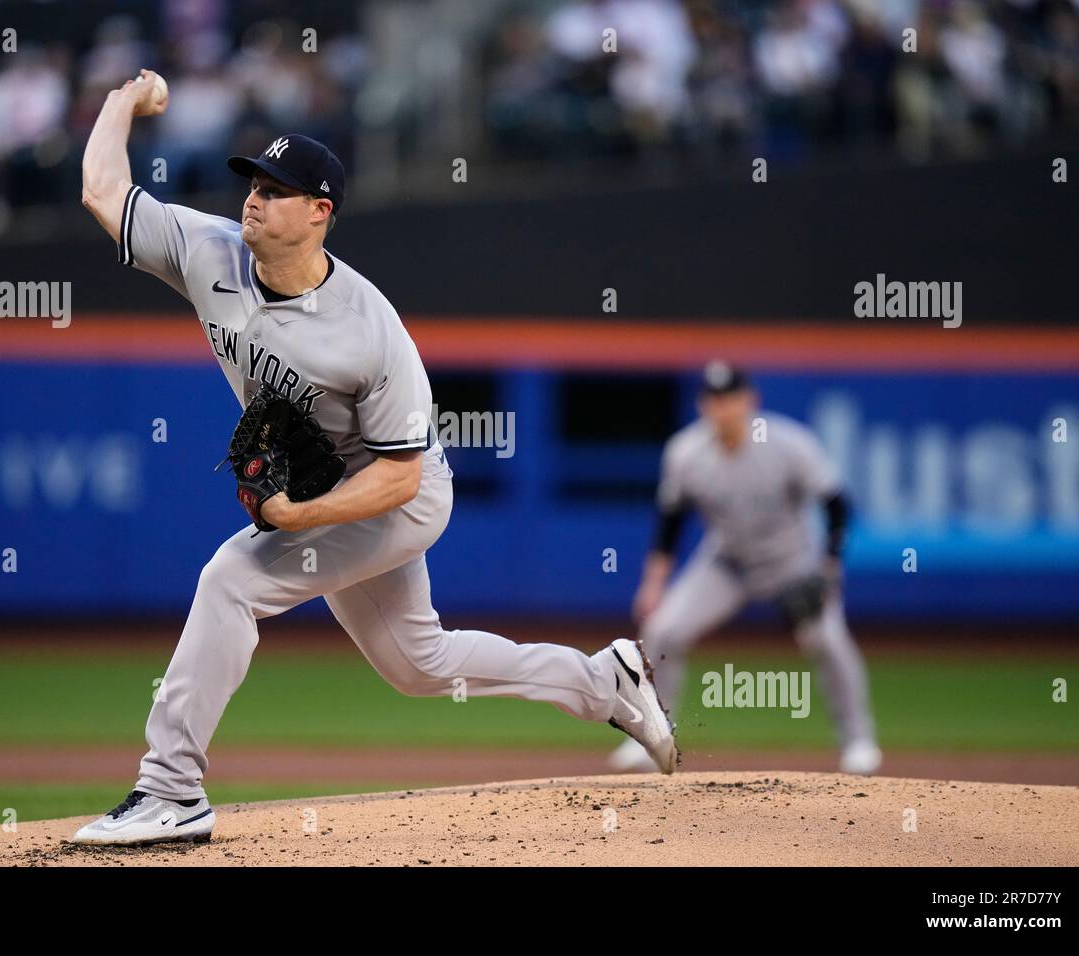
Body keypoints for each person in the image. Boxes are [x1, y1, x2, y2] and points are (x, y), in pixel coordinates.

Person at [69, 70, 677, 845]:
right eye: (254, 180)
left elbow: (400, 474)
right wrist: (127, 99)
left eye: (278, 188)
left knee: (232, 578)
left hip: (401, 495)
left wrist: (294, 516)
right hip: (342, 492)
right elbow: (101, 189)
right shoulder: (206, 252)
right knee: (418, 666)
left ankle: (171, 789)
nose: (254, 196)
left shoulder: (370, 331)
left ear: (320, 212)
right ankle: (606, 681)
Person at [609, 361, 882, 776]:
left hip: (791, 561)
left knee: (826, 639)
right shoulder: (686, 452)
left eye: (730, 398)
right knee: (663, 629)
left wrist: (829, 568)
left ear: (749, 400)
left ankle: (859, 740)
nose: (722, 408)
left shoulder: (788, 444)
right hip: (726, 562)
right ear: (703, 405)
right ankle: (651, 735)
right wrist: (653, 584)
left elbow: (837, 505)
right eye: (714, 400)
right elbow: (671, 521)